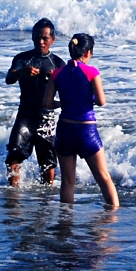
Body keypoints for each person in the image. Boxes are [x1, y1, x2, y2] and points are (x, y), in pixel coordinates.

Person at [44, 33, 119, 208]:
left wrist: (65, 102)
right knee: (103, 177)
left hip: (65, 130)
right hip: (86, 131)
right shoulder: (92, 72)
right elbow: (101, 101)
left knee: (68, 181)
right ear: (87, 53)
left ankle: (66, 221)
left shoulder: (57, 73)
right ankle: (113, 217)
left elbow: (47, 103)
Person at [5, 18, 65, 186]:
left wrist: (56, 80)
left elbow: (66, 94)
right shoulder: (22, 59)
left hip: (47, 118)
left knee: (47, 163)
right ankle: (13, 196)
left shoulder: (58, 63)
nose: (40, 41)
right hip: (25, 115)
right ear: (32, 37)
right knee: (13, 156)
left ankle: (45, 200)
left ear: (52, 40)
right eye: (37, 37)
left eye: (45, 38)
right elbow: (9, 79)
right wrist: (22, 72)